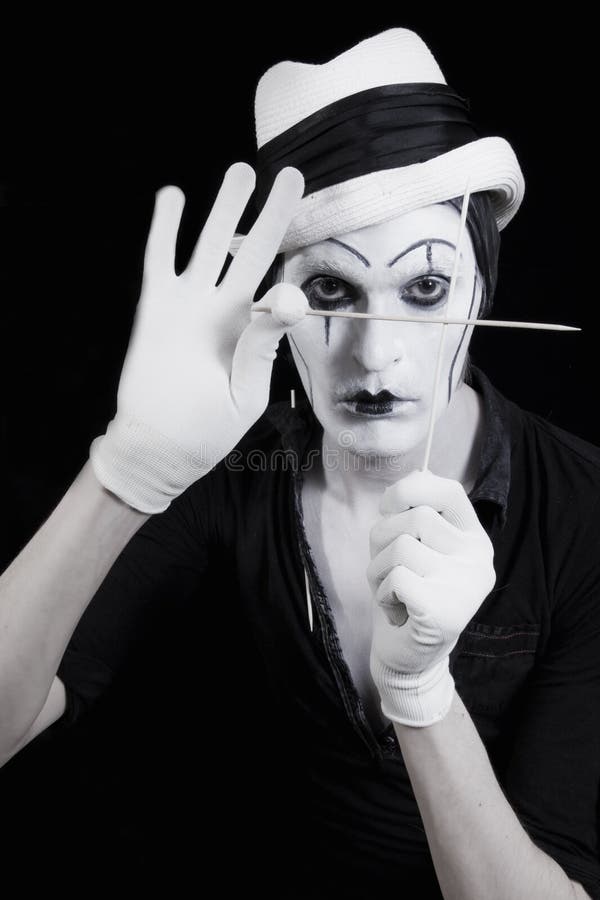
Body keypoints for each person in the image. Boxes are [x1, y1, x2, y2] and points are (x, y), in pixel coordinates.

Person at [0, 26, 599, 900]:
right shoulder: (235, 477)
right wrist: (123, 474)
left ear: (481, 288)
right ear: (273, 299)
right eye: (329, 289)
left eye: (425, 287)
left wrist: (420, 690)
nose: (376, 353)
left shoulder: (583, 512)